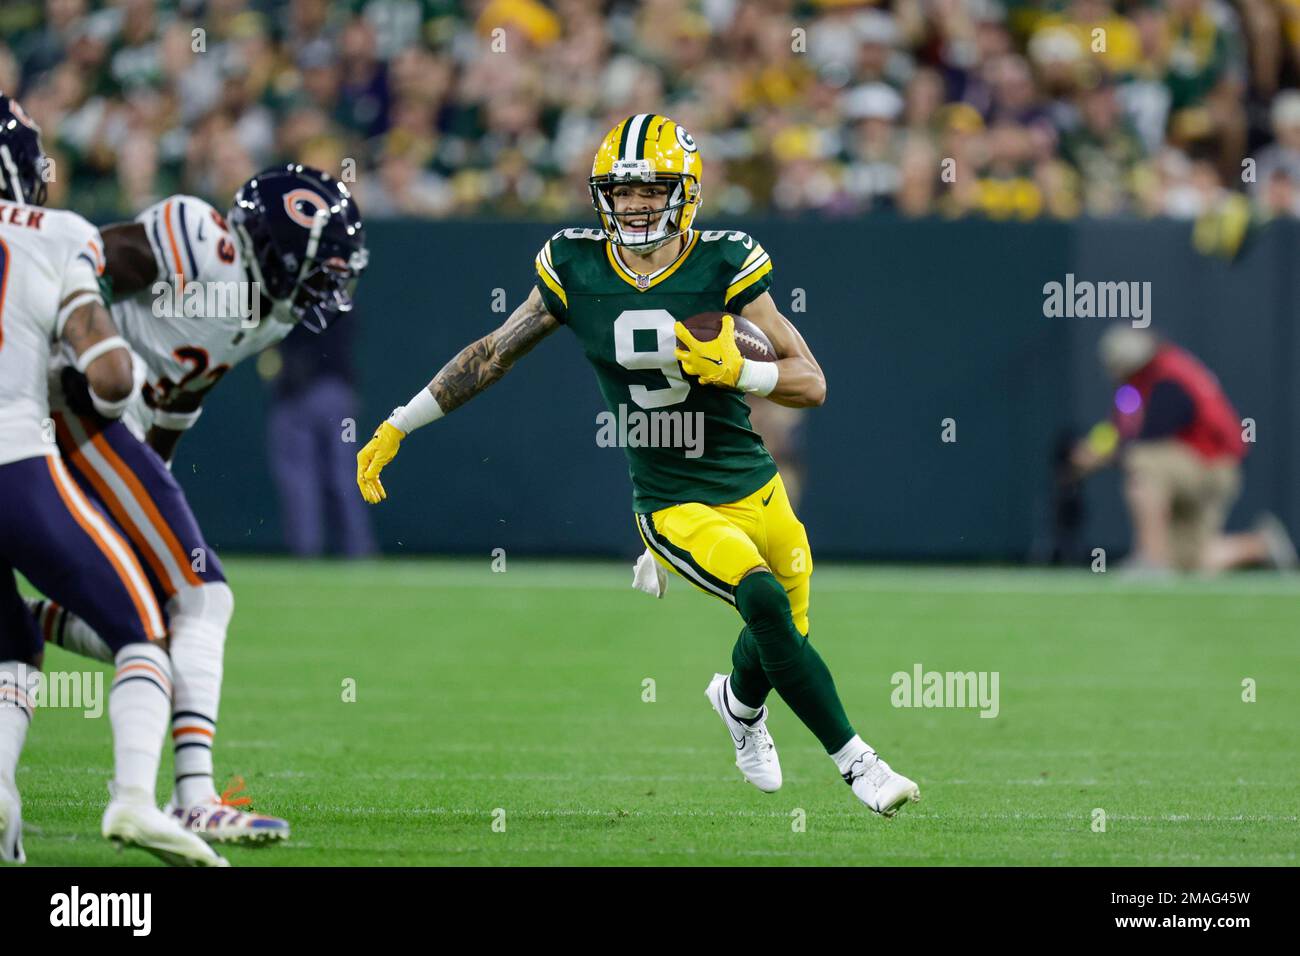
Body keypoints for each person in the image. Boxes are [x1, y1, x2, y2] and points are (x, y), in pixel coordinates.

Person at [356, 114, 920, 817]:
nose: (634, 206)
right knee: (766, 605)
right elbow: (494, 352)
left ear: (684, 192)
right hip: (671, 499)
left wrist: (742, 368)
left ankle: (738, 706)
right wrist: (400, 422)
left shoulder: (724, 261)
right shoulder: (575, 264)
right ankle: (859, 765)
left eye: (651, 190)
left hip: (754, 482)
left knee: (781, 642)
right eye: (621, 193)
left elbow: (813, 382)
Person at [28, 164, 367, 843]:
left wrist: (152, 477)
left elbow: (183, 392)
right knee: (203, 597)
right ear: (279, 246)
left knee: (158, 617)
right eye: (323, 264)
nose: (332, 282)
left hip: (109, 434)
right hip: (68, 404)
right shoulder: (196, 236)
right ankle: (193, 796)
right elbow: (80, 270)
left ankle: (26, 620)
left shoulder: (271, 314)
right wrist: (90, 361)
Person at [0, 93, 223, 865]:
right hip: (16, 468)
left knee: (10, 639)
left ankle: (0, 790)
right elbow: (110, 372)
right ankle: (133, 799)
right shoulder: (55, 234)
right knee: (145, 632)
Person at [1072, 325, 1296, 573]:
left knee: (1143, 462)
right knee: (1188, 565)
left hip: (1212, 465)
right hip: (1204, 468)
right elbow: (1119, 427)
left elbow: (1149, 438)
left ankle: (1150, 560)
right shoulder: (1139, 383)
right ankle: (1260, 546)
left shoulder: (1167, 377)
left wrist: (1098, 457)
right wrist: (1094, 448)